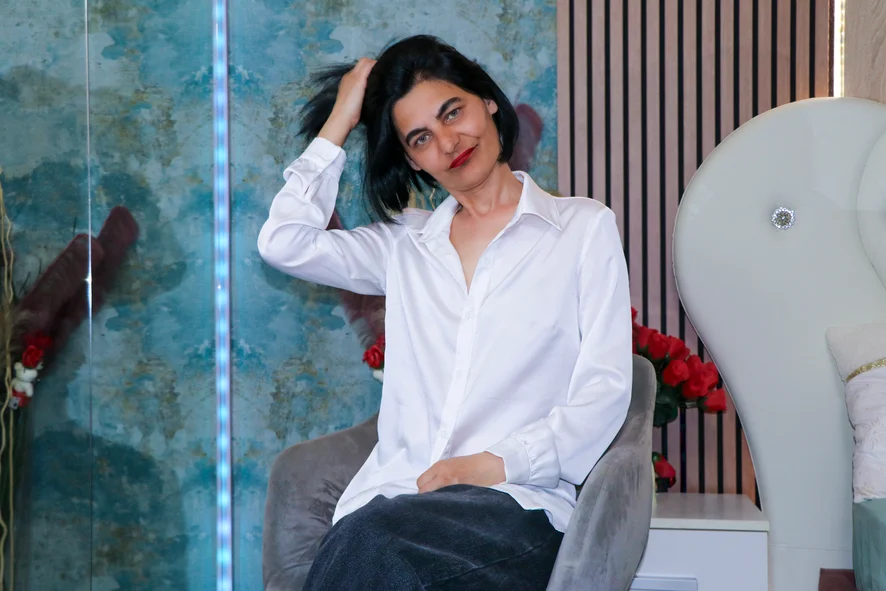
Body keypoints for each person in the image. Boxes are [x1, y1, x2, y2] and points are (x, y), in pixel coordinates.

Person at [258, 34, 633, 590]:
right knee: (367, 537)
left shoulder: (581, 228)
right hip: (396, 504)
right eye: (421, 138)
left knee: (370, 542)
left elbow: (605, 389)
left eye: (452, 112)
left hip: (516, 506)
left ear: (487, 101)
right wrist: (341, 118)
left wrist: (493, 464)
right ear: (412, 159)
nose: (449, 142)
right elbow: (283, 242)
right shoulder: (404, 247)